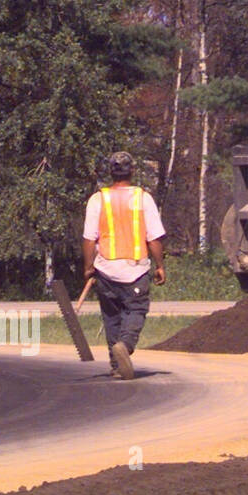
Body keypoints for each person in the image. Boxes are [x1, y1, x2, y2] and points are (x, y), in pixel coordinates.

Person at [81, 152, 167, 380]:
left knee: (111, 316)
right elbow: (154, 238)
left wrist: (88, 266)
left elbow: (89, 238)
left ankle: (117, 366)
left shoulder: (98, 199)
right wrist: (160, 265)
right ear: (133, 171)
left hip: (106, 268)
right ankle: (125, 345)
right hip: (135, 268)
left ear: (110, 172)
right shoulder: (143, 198)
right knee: (136, 309)